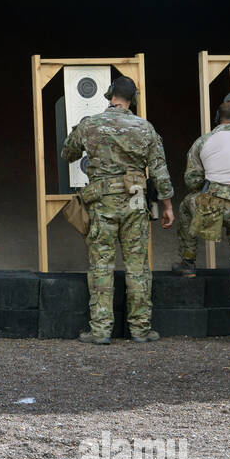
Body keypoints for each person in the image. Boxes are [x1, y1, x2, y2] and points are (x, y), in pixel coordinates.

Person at [61, 76, 174, 344]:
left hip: (102, 202)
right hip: (136, 200)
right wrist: (168, 206)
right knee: (138, 266)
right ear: (133, 99)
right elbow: (159, 171)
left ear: (110, 94)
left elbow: (68, 153)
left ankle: (101, 331)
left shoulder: (90, 124)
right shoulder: (145, 128)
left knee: (101, 265)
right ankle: (141, 330)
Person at [174, 99, 230, 345]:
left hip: (213, 206)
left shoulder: (204, 141)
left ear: (217, 117)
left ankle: (188, 262)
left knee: (185, 206)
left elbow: (192, 181)